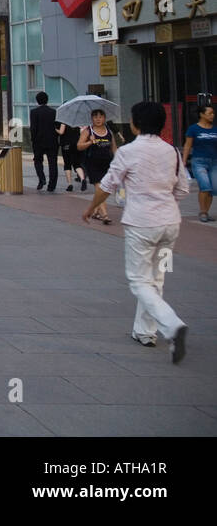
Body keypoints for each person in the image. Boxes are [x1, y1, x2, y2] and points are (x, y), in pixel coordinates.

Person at [83, 101, 190, 362]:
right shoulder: (173, 152)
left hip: (141, 224)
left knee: (139, 281)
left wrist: (90, 209)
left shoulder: (128, 152)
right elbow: (183, 189)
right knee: (157, 278)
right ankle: (145, 332)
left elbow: (106, 186)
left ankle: (171, 324)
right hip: (170, 224)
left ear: (135, 124)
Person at [78, 108, 117, 224]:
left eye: (100, 116)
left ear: (104, 118)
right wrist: (90, 142)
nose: (98, 119)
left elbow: (114, 148)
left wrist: (118, 160)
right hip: (93, 164)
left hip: (107, 164)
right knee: (100, 188)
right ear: (92, 119)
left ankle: (95, 211)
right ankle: (104, 215)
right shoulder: (88, 131)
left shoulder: (109, 131)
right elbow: (79, 146)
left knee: (102, 189)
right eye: (95, 117)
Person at [181, 103, 216, 223]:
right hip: (199, 161)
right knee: (205, 186)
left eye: (213, 113)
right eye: (209, 113)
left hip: (214, 162)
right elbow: (187, 145)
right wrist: (184, 161)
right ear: (201, 114)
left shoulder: (215, 129)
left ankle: (206, 211)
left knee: (213, 188)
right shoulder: (193, 129)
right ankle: (202, 212)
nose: (212, 115)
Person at [29, 91, 59, 192]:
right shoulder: (53, 112)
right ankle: (52, 186)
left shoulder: (34, 112)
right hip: (52, 141)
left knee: (37, 161)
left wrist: (33, 140)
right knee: (53, 163)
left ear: (37, 101)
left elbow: (33, 128)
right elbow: (57, 127)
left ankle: (42, 179)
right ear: (47, 100)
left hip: (38, 141)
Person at [57, 118, 87, 192]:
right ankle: (83, 179)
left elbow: (61, 132)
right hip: (76, 145)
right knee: (77, 164)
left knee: (67, 165)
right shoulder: (77, 122)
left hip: (66, 145)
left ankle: (70, 184)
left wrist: (55, 129)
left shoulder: (64, 121)